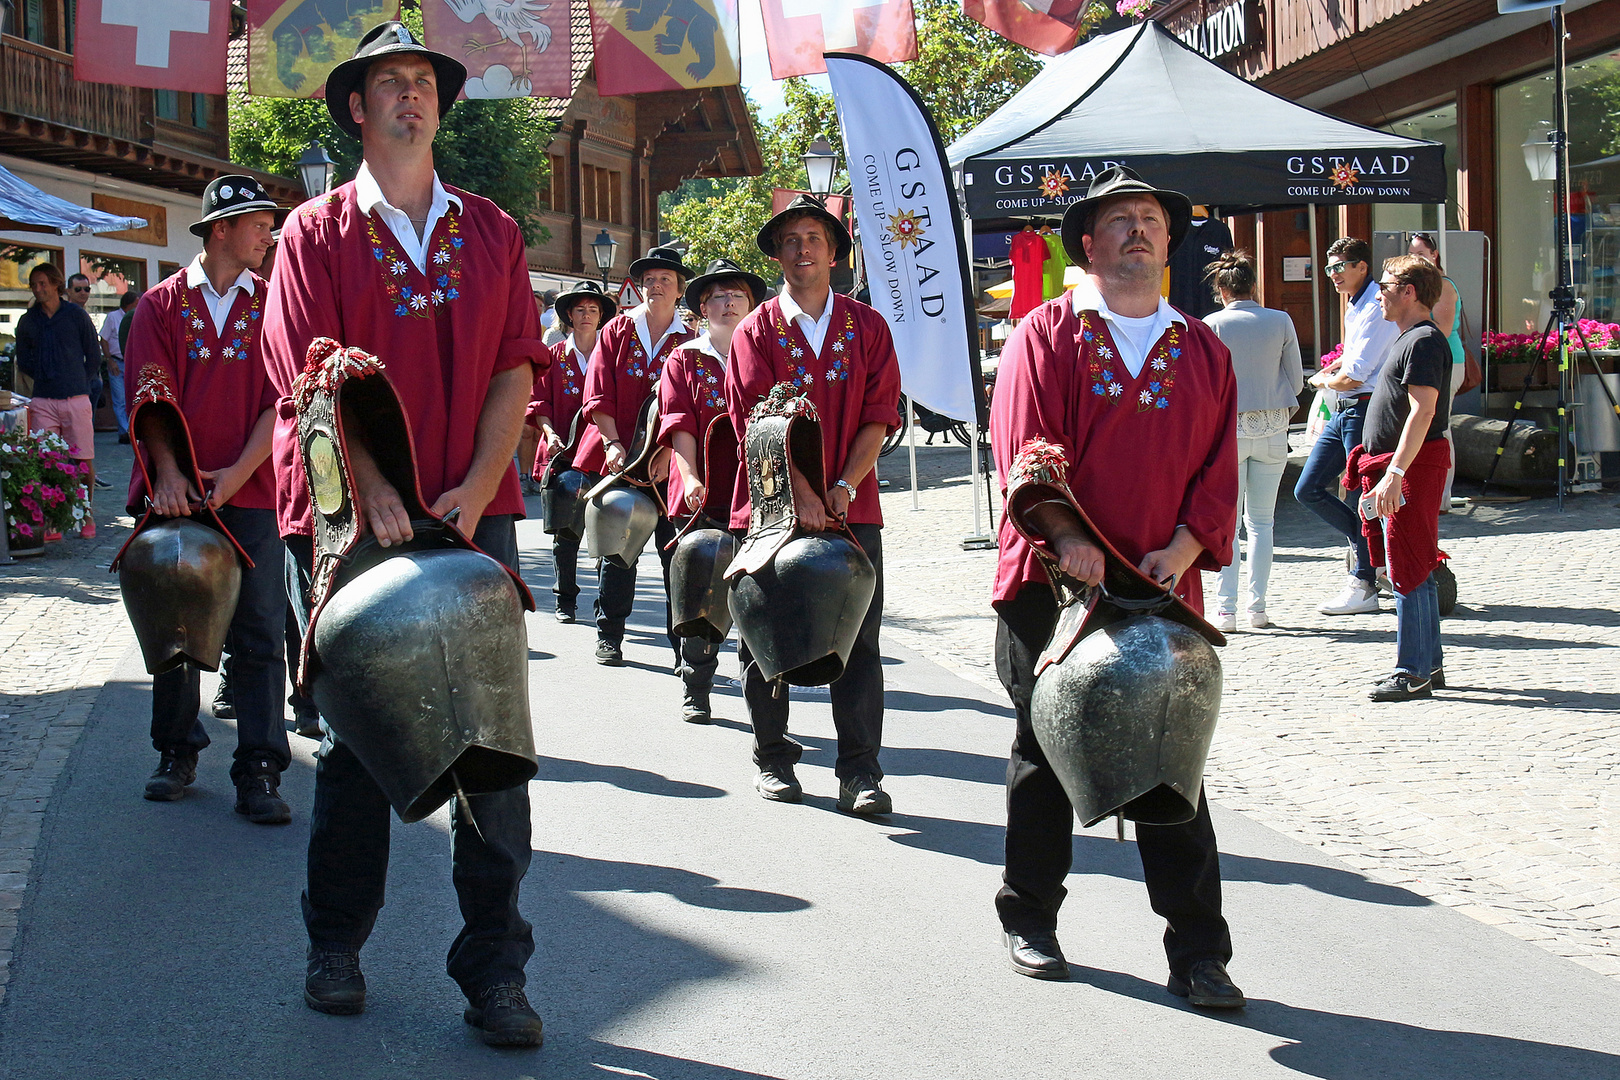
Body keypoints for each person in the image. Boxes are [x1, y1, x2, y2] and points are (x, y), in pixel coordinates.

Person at [260, 21, 546, 1046]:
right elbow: (303, 379)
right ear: (356, 107)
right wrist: (376, 484)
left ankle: (496, 974)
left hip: (473, 514)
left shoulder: (493, 230)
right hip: (348, 521)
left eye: (422, 81)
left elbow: (517, 366)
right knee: (351, 744)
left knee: (492, 746)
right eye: (389, 83)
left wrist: (473, 485)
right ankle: (336, 942)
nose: (409, 97)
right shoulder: (314, 234)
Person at [988, 166, 1243, 1007]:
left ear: (1171, 242)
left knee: (1175, 768)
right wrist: (1064, 535)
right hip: (1052, 583)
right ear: (1088, 243)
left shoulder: (1204, 348)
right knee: (1046, 751)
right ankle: (1030, 916)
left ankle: (1199, 952)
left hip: (1162, 584)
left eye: (1152, 220)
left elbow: (1218, 469)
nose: (1138, 230)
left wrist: (1184, 545)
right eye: (1119, 220)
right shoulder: (1045, 334)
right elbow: (1026, 446)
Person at [725, 194, 902, 815]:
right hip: (770, 508)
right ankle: (772, 758)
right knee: (763, 638)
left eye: (815, 238)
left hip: (855, 508)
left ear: (834, 252)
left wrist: (845, 486)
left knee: (859, 642)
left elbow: (881, 415)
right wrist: (800, 492)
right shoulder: (755, 330)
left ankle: (860, 772)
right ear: (777, 255)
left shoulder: (869, 327)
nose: (803, 249)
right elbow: (755, 417)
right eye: (791, 240)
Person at [123, 174, 292, 824]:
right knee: (174, 618)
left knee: (257, 629)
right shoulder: (161, 305)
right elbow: (149, 389)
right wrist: (168, 473)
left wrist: (238, 472)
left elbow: (277, 403)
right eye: (258, 223)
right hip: (176, 493)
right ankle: (176, 751)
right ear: (221, 227)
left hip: (249, 493)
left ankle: (259, 768)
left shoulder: (272, 305)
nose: (267, 235)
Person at [575, 244, 695, 667]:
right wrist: (610, 442)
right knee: (617, 548)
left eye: (665, 280)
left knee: (674, 554)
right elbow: (598, 391)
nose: (655, 286)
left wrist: (667, 451)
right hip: (621, 460)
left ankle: (683, 647)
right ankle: (609, 635)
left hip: (672, 466)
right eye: (648, 280)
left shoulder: (690, 340)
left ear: (680, 290)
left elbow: (689, 404)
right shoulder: (616, 332)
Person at [658, 258, 765, 725]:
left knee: (755, 592)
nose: (727, 304)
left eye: (736, 296)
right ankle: (696, 683)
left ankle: (761, 699)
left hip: (758, 494)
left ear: (750, 304)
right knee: (702, 584)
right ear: (703, 307)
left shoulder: (765, 351)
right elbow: (679, 424)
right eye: (717, 297)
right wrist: (691, 476)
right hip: (704, 495)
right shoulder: (685, 358)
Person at [1347, 255, 1452, 702]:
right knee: (1417, 566)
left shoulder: (1423, 340)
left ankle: (1412, 672)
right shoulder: (1412, 338)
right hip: (1406, 464)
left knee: (1407, 567)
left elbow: (1423, 411)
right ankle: (1429, 663)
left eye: (1386, 286)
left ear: (1409, 292)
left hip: (1412, 466)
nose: (1380, 294)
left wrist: (1394, 472)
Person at [1295, 236, 1400, 616]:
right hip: (1346, 410)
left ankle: (1364, 582)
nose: (1334, 275)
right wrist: (1333, 366)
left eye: (1341, 267)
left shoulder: (1374, 305)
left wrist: (1321, 381)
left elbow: (1357, 375)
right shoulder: (1355, 305)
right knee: (1307, 489)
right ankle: (1371, 552)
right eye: (1329, 268)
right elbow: (1351, 358)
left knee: (1359, 497)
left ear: (1362, 267)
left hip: (1365, 408)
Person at [1202, 250, 1303, 632]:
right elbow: (1295, 381)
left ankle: (1225, 610)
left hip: (1228, 430)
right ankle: (1257, 608)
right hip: (1273, 426)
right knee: (1263, 523)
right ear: (1252, 285)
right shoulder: (1280, 320)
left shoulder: (1211, 324)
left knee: (1228, 522)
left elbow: (1204, 386)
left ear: (1222, 289)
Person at [527, 278, 616, 621]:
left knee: (603, 530)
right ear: (568, 315)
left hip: (602, 454)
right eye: (580, 309)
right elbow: (539, 402)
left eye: (593, 309)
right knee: (566, 531)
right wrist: (549, 434)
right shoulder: (553, 357)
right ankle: (565, 597)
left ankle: (603, 605)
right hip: (563, 450)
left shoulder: (609, 356)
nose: (587, 315)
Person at [14, 261, 101, 538]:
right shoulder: (28, 321)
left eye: (43, 284)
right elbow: (24, 360)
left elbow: (93, 353)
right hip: (43, 399)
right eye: (34, 285)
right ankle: (53, 520)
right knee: (46, 459)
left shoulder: (75, 315)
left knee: (83, 461)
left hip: (75, 397)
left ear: (55, 285)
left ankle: (86, 513)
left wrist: (80, 382)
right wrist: (44, 375)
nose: (38, 289)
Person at [1408, 232, 1466, 507]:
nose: (1416, 258)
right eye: (1412, 254)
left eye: (1421, 253)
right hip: (1426, 362)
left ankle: (1443, 496)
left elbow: (1440, 330)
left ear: (1434, 255)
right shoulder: (1419, 286)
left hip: (1447, 361)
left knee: (1440, 427)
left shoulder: (1443, 285)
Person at [100, 289, 137, 444]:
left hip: (131, 362)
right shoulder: (112, 317)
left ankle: (133, 431)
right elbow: (104, 339)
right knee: (120, 399)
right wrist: (109, 360)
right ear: (129, 304)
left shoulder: (137, 316)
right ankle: (125, 432)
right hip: (117, 361)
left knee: (132, 398)